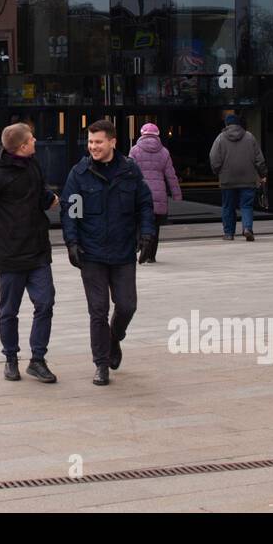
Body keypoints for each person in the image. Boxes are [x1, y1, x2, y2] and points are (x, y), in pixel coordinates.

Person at [0, 122, 59, 384]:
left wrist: (48, 199)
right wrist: (1, 218)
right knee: (9, 310)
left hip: (37, 248)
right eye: (31, 139)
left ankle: (37, 360)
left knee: (46, 302)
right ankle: (11, 359)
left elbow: (37, 193)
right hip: (8, 252)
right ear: (21, 146)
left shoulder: (32, 163)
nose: (36, 140)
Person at [61, 120, 155, 386]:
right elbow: (70, 212)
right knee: (98, 310)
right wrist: (71, 242)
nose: (93, 147)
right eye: (90, 142)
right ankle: (101, 364)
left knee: (127, 305)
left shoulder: (130, 171)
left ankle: (114, 338)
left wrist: (147, 233)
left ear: (113, 142)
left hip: (123, 251)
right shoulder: (78, 174)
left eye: (98, 142)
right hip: (91, 254)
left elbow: (145, 204)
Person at [128, 122, 182, 263]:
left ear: (141, 134)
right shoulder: (164, 152)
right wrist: (177, 194)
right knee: (155, 225)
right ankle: (151, 255)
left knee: (139, 221)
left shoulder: (135, 150)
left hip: (140, 193)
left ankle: (140, 244)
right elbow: (171, 175)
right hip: (158, 194)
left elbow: (129, 173)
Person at [209, 113, 268, 241]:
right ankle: (247, 228)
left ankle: (229, 234)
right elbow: (259, 159)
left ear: (226, 125)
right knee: (246, 206)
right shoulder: (250, 137)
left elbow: (214, 159)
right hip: (248, 178)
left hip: (227, 178)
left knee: (228, 206)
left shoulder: (220, 138)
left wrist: (217, 171)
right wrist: (263, 174)